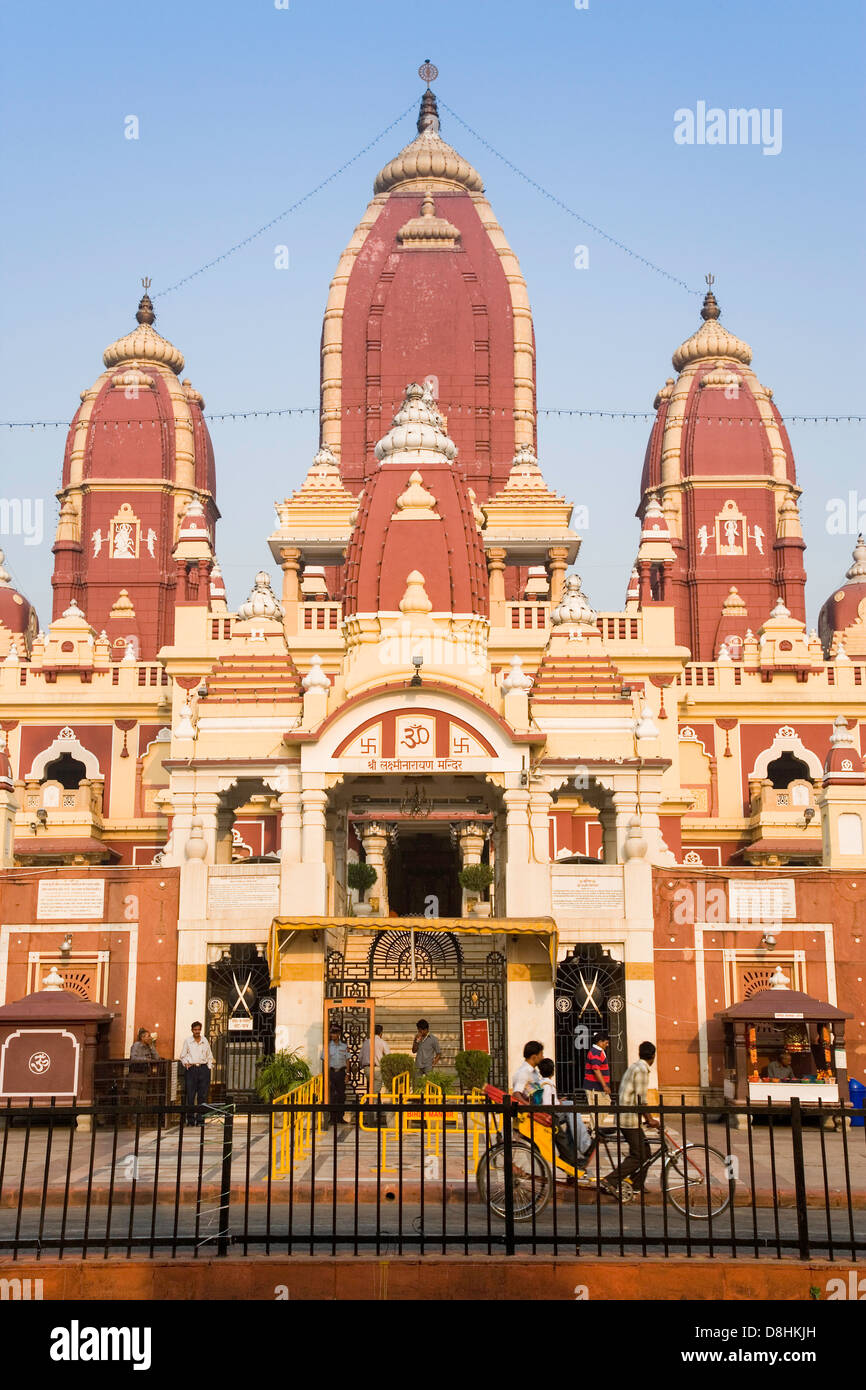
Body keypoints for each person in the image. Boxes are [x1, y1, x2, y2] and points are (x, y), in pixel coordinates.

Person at [603, 1041, 658, 1195]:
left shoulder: (635, 1066)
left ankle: (636, 1183)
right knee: (638, 1154)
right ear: (653, 1056)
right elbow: (641, 1099)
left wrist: (647, 1119)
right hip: (629, 1118)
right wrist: (651, 1119)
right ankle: (611, 1180)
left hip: (629, 1116)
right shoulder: (641, 1070)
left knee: (646, 1152)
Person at [537, 1057, 594, 1166]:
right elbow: (548, 1104)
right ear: (553, 1071)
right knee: (572, 1109)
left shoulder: (542, 1083)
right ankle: (585, 1144)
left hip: (549, 1110)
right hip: (549, 1113)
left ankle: (576, 1147)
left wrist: (559, 1101)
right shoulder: (548, 1085)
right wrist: (559, 1104)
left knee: (571, 1106)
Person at [180, 1021, 214, 1126]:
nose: (197, 1031)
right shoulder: (188, 1041)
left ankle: (200, 1119)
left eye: (199, 1029)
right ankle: (190, 1120)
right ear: (192, 1030)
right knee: (190, 1095)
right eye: (195, 1030)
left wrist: (208, 1067)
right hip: (192, 1069)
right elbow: (182, 1056)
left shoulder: (205, 1040)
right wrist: (186, 1064)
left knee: (202, 1095)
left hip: (203, 1069)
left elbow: (209, 1055)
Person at [326, 1024, 348, 1126]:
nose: (332, 1035)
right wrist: (326, 1075)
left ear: (339, 1034)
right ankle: (332, 1117)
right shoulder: (327, 1046)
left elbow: (348, 1060)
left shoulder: (344, 1046)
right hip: (331, 1072)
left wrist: (347, 1074)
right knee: (332, 1096)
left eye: (334, 1033)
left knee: (341, 1096)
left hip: (341, 1072)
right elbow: (325, 1061)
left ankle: (340, 1117)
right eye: (331, 1033)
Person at [360, 1023, 390, 1093]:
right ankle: (373, 1102)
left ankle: (370, 1101)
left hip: (367, 1068)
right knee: (375, 1091)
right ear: (381, 1033)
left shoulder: (366, 1042)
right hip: (377, 1069)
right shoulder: (382, 1042)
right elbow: (388, 1056)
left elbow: (360, 1056)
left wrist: (362, 1066)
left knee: (371, 1088)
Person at [584, 1032, 612, 1103]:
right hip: (596, 1088)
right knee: (599, 1111)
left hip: (598, 1088)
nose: (607, 1045)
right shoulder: (596, 1052)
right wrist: (605, 1086)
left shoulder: (597, 1051)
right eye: (606, 1043)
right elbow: (596, 1069)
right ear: (600, 1042)